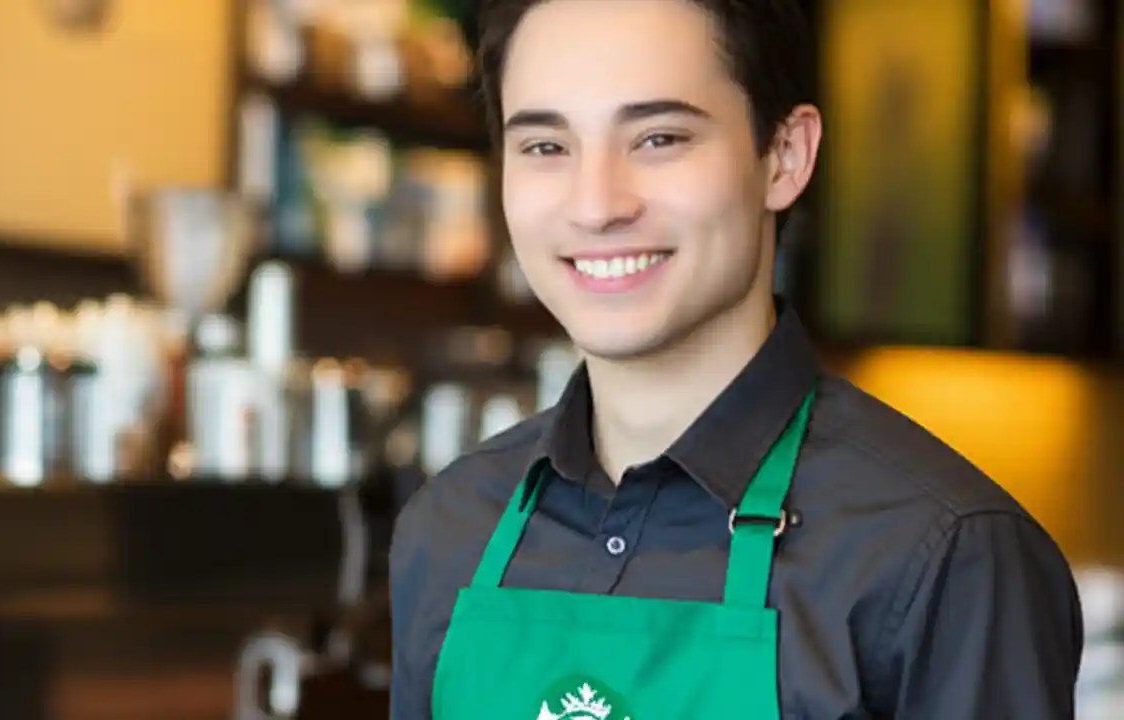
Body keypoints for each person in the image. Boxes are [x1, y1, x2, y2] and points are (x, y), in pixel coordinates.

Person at [388, 0, 1084, 717]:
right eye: (545, 147)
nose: (595, 205)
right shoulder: (449, 530)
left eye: (658, 138)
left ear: (785, 156)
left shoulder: (946, 559)